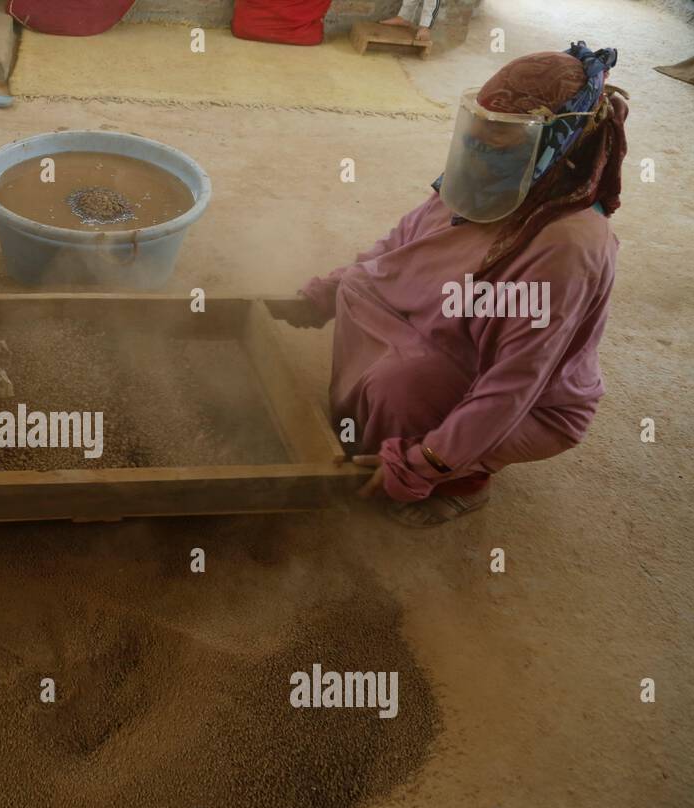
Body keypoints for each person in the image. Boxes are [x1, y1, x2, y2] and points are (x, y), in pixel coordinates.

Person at [267, 43, 629, 526]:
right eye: (477, 131)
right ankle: (376, 432)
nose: (479, 149)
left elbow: (514, 381)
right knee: (358, 287)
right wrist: (323, 294)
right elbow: (394, 250)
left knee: (405, 381)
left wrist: (422, 466)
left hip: (534, 402)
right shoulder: (480, 184)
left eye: (501, 140)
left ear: (555, 148)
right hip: (453, 330)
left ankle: (460, 477)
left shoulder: (566, 245)